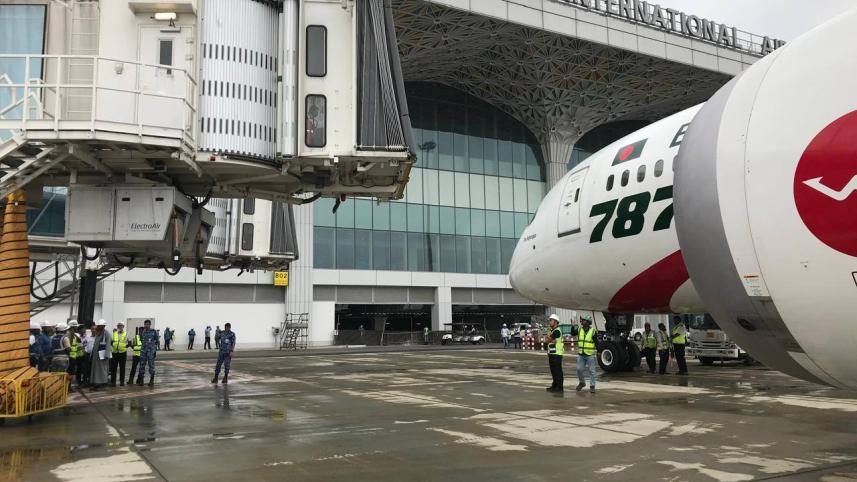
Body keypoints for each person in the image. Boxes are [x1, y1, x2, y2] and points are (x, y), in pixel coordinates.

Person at [576, 315, 597, 393]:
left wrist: (599, 351)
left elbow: (596, 342)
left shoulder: (593, 331)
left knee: (592, 371)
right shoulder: (579, 329)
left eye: (584, 320)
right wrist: (572, 325)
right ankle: (582, 383)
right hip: (581, 354)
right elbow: (572, 332)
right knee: (579, 369)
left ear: (588, 322)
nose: (582, 321)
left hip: (589, 354)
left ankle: (592, 386)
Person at [89, 320, 112, 390]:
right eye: (98, 325)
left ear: (103, 326)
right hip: (96, 355)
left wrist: (107, 355)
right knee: (95, 369)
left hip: (102, 356)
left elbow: (108, 345)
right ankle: (96, 383)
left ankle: (102, 383)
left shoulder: (107, 334)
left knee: (102, 370)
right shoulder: (98, 333)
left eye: (99, 326)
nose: (97, 327)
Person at [545, 315, 564, 393]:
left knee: (557, 371)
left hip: (557, 354)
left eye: (551, 320)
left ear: (555, 322)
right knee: (553, 371)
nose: (550, 322)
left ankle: (559, 387)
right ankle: (554, 385)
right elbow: (548, 339)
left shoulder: (557, 331)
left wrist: (549, 339)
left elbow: (548, 340)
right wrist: (549, 339)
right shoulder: (552, 330)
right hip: (552, 353)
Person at [136, 319, 158, 387]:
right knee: (142, 365)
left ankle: (151, 380)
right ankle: (141, 380)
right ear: (144, 325)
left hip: (151, 352)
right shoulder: (142, 332)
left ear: (150, 324)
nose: (146, 325)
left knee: (151, 366)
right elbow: (141, 340)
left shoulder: (153, 331)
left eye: (148, 324)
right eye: (145, 324)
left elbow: (156, 341)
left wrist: (154, 351)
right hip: (143, 351)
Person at [109, 321, 129, 386]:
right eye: (118, 325)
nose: (119, 326)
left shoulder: (126, 334)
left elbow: (129, 343)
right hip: (114, 353)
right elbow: (111, 341)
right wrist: (114, 346)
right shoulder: (114, 333)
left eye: (121, 325)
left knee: (122, 368)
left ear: (123, 326)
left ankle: (122, 381)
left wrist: (124, 347)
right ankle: (113, 382)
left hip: (122, 353)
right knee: (113, 368)